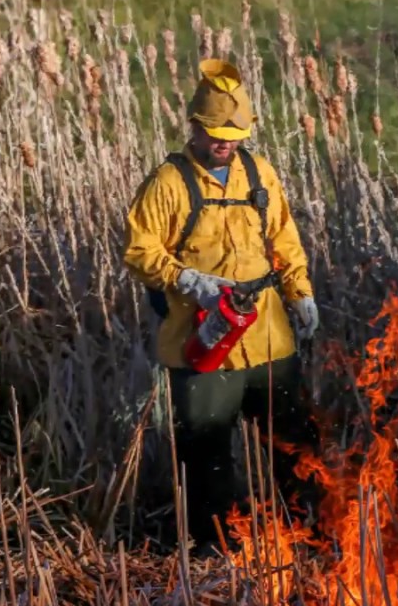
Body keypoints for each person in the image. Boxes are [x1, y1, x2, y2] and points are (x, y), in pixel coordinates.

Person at [123, 58, 320, 554]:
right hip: (203, 343)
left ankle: (307, 537)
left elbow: (284, 237)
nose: (225, 142)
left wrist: (299, 292)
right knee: (206, 457)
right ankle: (216, 553)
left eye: (235, 133)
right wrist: (187, 279)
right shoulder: (168, 183)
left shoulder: (259, 172)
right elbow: (140, 250)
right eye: (216, 132)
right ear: (193, 125)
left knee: (296, 445)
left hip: (269, 336)